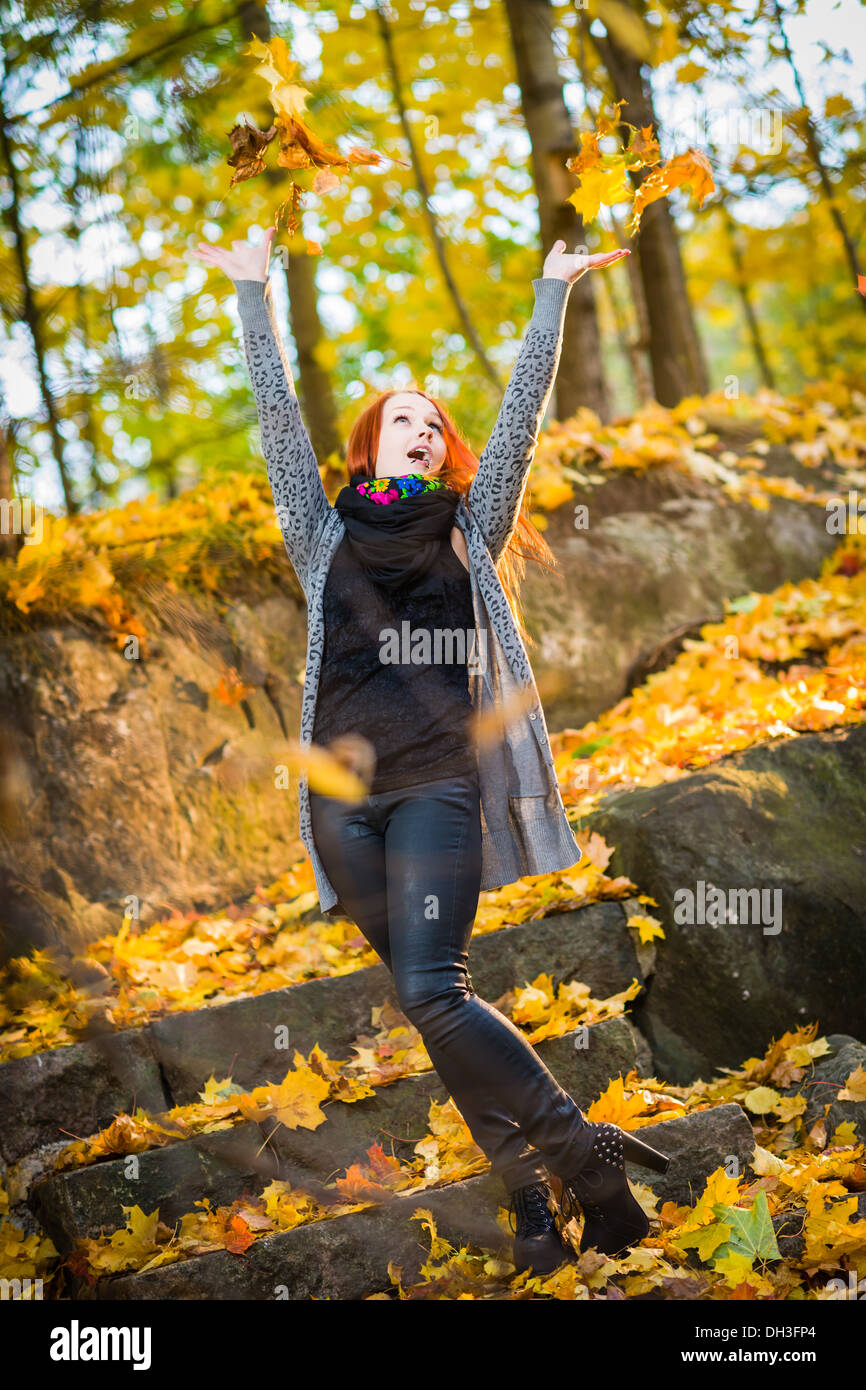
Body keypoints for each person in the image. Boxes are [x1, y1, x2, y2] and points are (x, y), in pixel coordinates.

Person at [194, 227, 669, 1276]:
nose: (422, 427)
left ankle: (579, 1159)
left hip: (435, 791)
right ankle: (536, 1202)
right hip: (343, 807)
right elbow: (276, 417)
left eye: (431, 421)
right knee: (426, 1007)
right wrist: (248, 290)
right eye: (400, 417)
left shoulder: (470, 525)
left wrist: (549, 294)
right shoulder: (318, 536)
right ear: (367, 449)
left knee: (435, 989)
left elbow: (518, 413)